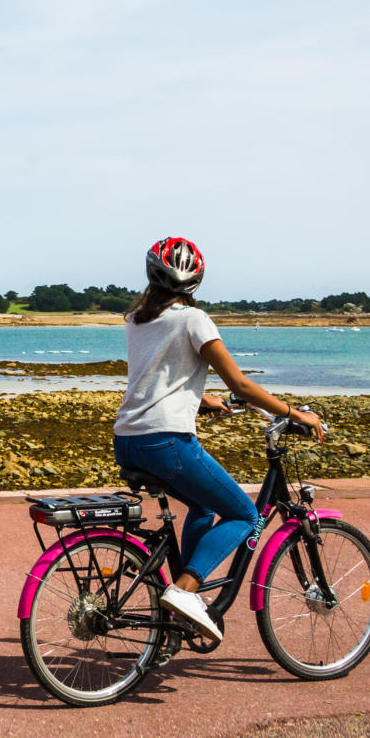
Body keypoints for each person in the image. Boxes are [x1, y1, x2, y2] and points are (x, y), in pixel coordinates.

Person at [113, 236, 324, 643]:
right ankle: (185, 591)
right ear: (196, 280)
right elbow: (242, 384)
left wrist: (199, 397)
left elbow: (157, 374)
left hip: (128, 439)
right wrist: (295, 413)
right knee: (244, 515)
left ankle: (177, 608)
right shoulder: (194, 320)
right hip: (168, 442)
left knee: (203, 508)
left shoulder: (137, 318)